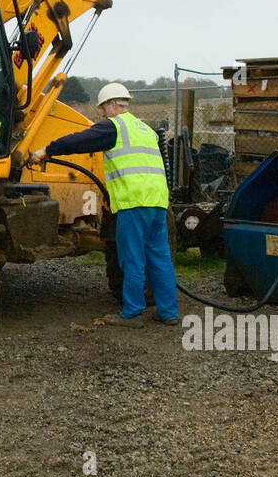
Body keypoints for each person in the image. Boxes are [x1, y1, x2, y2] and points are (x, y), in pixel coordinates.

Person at [29, 82, 178, 328]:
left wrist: (47, 150)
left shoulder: (114, 127)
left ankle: (131, 313)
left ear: (112, 104)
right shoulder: (147, 130)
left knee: (132, 259)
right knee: (159, 258)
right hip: (158, 202)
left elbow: (79, 141)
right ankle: (168, 312)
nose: (101, 114)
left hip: (132, 203)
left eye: (103, 108)